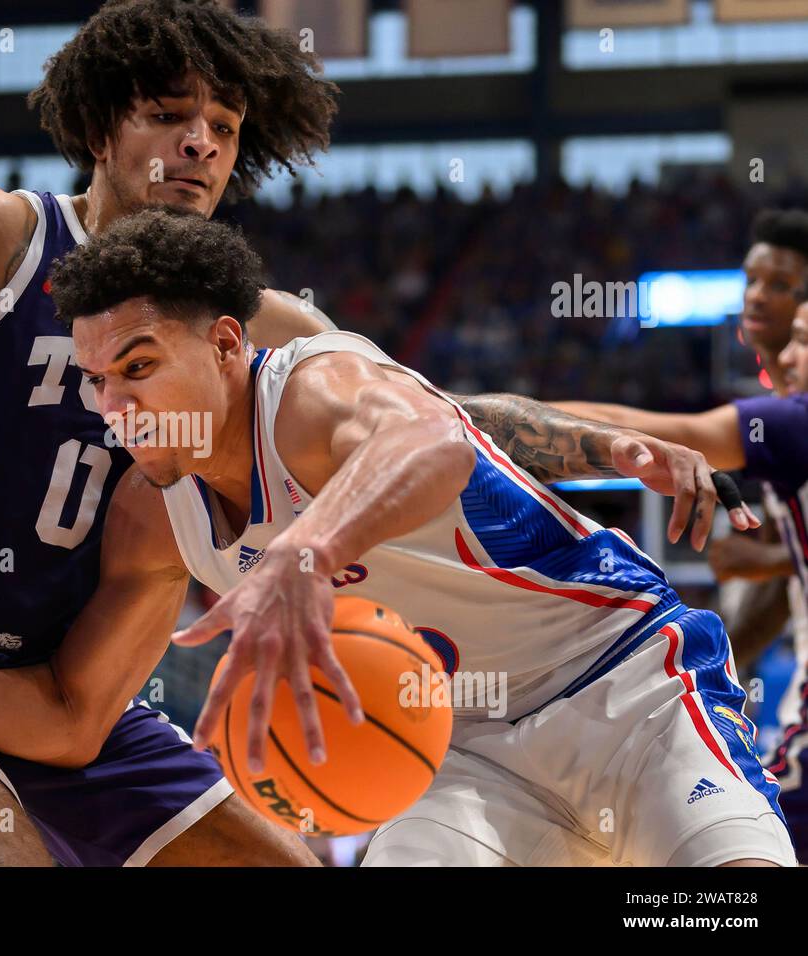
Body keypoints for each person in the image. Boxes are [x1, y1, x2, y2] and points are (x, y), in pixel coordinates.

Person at [0, 0, 754, 867]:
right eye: (167, 115)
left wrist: (604, 445)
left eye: (225, 129)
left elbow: (437, 425)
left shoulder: (253, 321)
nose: (201, 143)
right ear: (102, 127)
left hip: (81, 689)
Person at [45, 208, 794, 866]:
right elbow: (76, 719)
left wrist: (307, 550)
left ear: (226, 344)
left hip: (622, 680)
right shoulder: (154, 515)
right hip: (455, 751)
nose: (115, 405)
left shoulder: (313, 391)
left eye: (138, 366)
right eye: (98, 380)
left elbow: (438, 440)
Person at [551, 300, 808, 860]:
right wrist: (771, 562)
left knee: (745, 832)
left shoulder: (794, 422)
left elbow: (675, 432)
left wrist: (492, 423)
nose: (786, 355)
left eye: (803, 342)